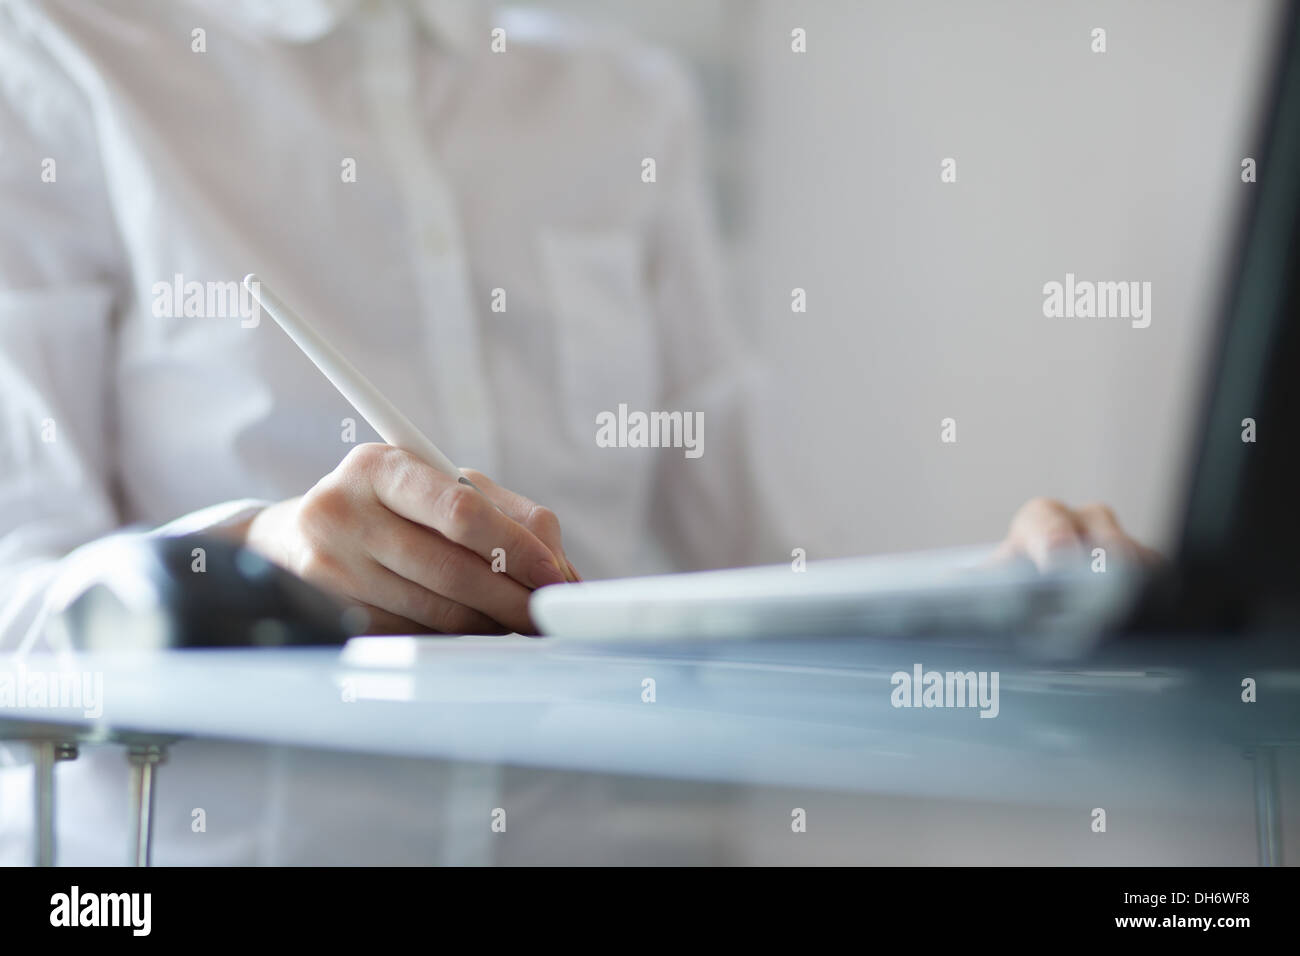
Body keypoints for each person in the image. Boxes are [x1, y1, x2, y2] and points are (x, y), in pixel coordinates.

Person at [0, 0, 1153, 864]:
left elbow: (763, 566)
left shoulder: (621, 104)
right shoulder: (59, 59)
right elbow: (16, 611)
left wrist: (1006, 601)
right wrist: (253, 565)